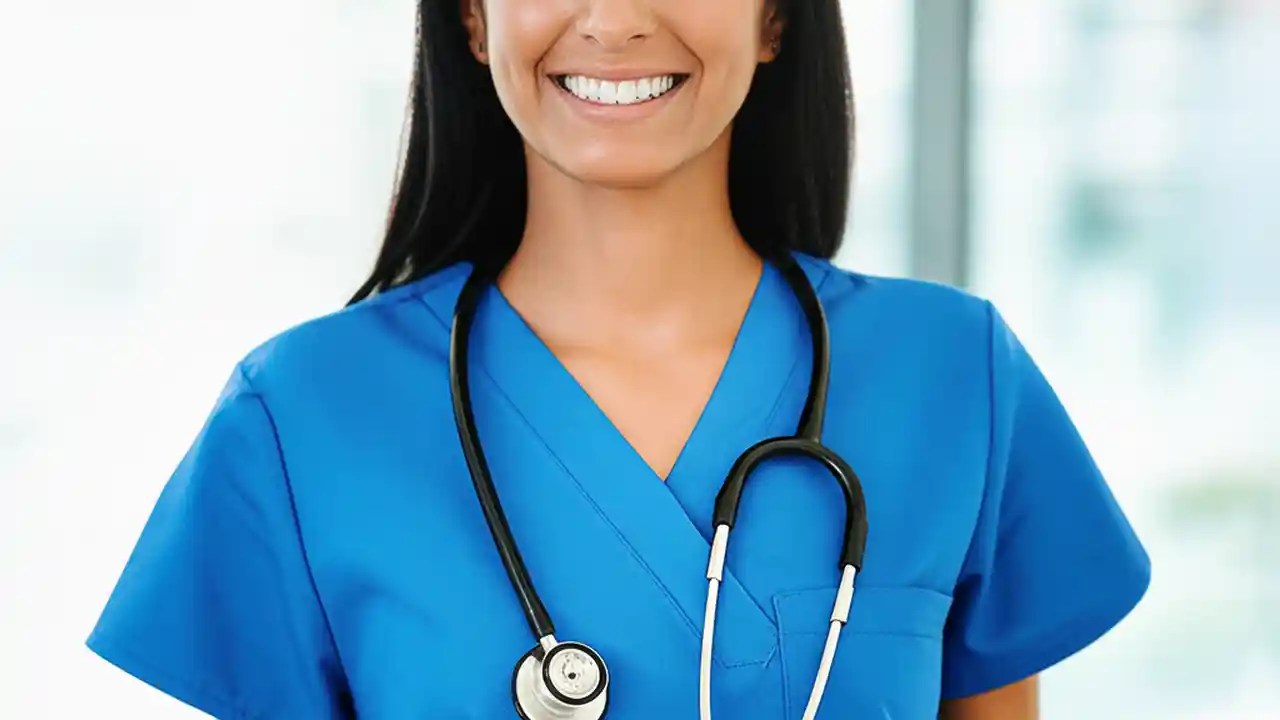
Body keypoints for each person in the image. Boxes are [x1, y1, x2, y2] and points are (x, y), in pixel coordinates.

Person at [85, 0, 1151, 718]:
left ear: (775, 18)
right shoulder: (304, 416)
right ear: (469, 15)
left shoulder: (950, 378)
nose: (615, 18)